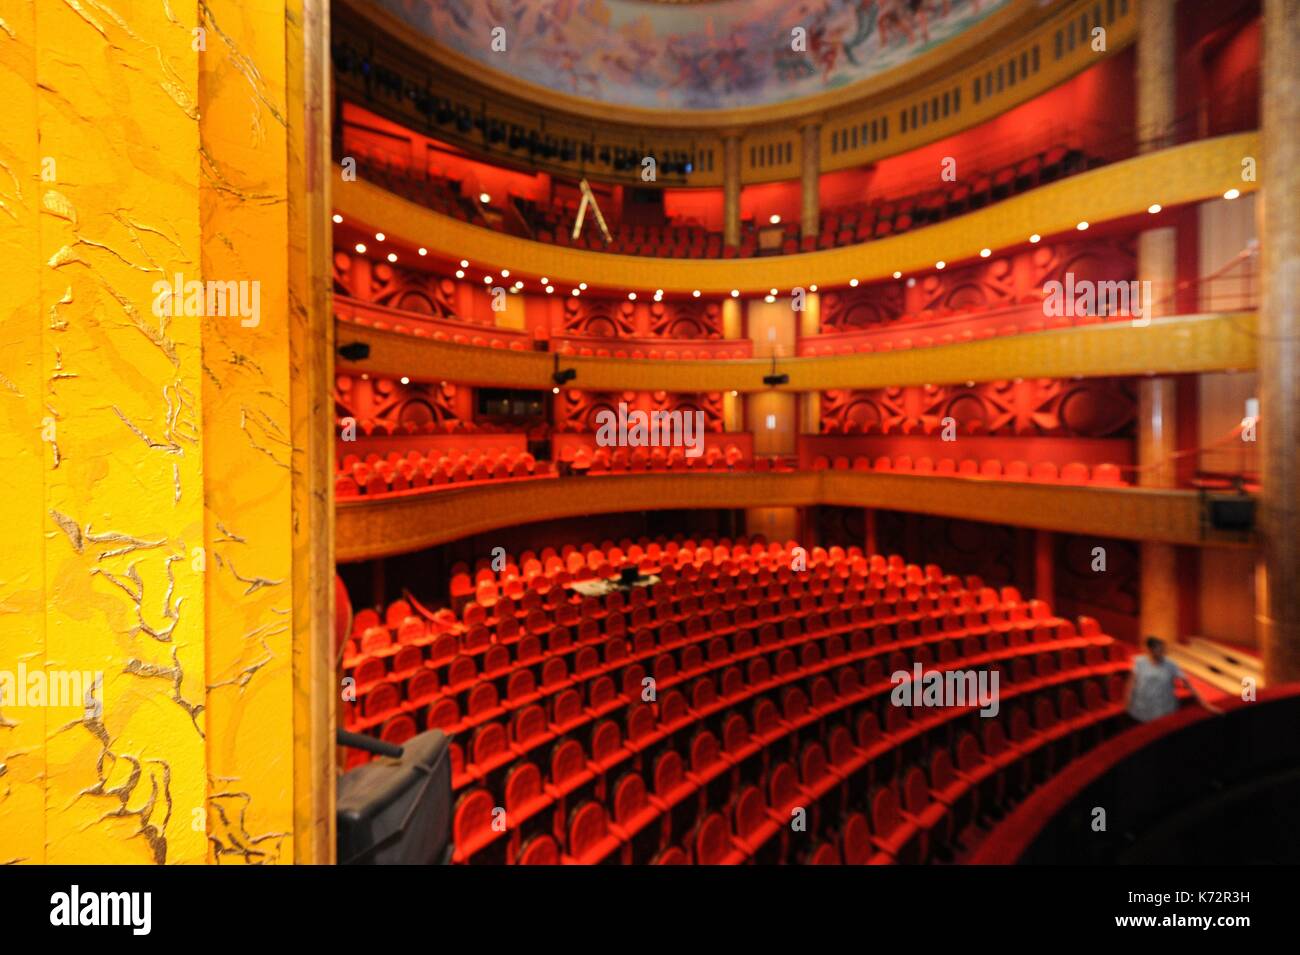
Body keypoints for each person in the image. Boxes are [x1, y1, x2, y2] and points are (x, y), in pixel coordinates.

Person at [1125, 636, 1221, 724]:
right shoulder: (1140, 662)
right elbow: (1131, 684)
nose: (1163, 652)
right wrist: (1128, 702)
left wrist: (1206, 705)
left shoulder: (1171, 665)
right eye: (1159, 649)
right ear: (1150, 650)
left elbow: (1189, 686)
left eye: (1163, 649)